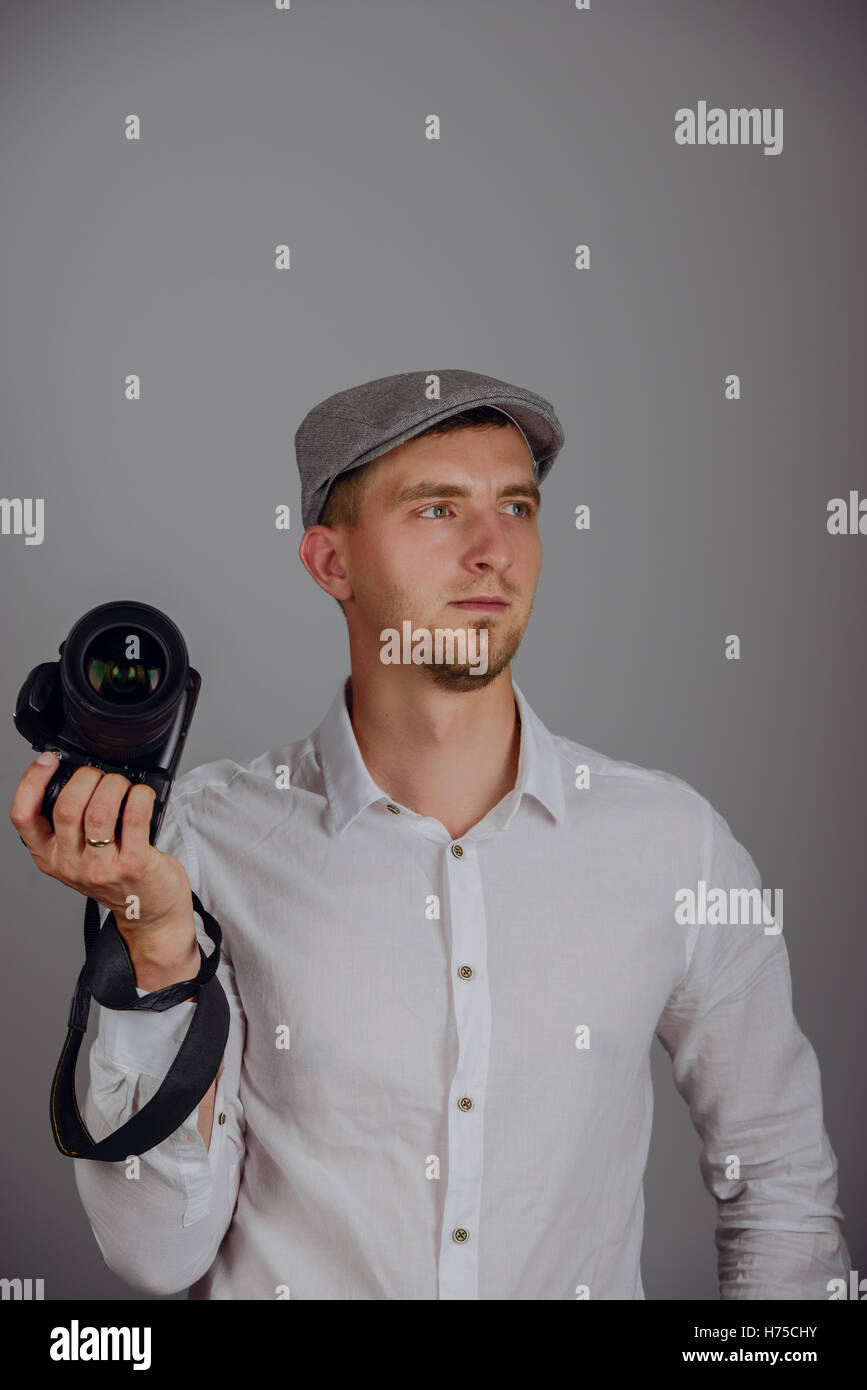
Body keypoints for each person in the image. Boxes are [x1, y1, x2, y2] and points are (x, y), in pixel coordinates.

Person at [11, 369, 851, 1300]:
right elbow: (156, 1257)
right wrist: (159, 946)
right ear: (332, 564)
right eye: (439, 510)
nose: (495, 549)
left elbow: (778, 1185)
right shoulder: (204, 841)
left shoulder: (672, 845)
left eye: (518, 508)